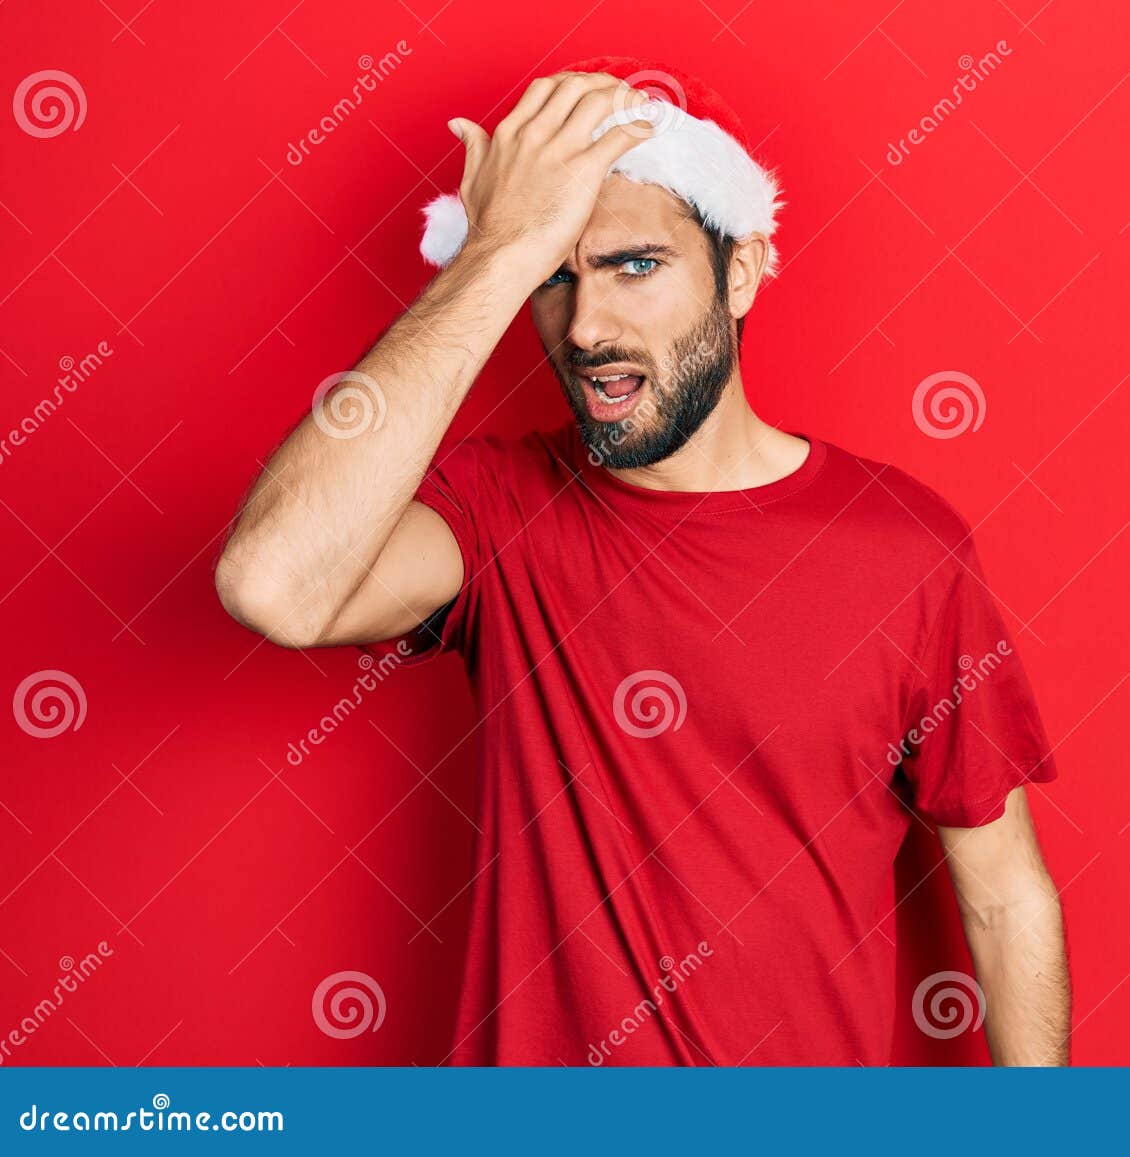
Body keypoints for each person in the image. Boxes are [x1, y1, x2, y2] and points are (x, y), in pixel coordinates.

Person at [214, 56, 1067, 1066]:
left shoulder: (902, 547)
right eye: (553, 278)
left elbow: (1004, 890)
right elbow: (272, 583)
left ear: (740, 271)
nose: (585, 328)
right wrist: (497, 250)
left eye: (632, 265)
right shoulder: (498, 512)